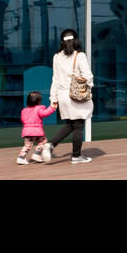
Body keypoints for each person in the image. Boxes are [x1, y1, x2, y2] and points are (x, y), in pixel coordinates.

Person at [44, 29, 94, 164]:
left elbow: (55, 79)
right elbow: (88, 76)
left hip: (62, 95)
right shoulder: (80, 55)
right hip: (76, 94)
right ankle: (76, 156)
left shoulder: (57, 57)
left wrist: (53, 98)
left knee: (70, 124)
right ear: (76, 40)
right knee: (78, 125)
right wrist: (89, 86)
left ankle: (50, 145)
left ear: (62, 41)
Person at [17, 90, 57, 165]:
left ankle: (21, 157)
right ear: (39, 101)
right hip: (37, 131)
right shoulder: (39, 108)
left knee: (27, 145)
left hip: (27, 131)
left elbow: (23, 119)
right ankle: (36, 154)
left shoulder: (24, 110)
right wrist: (52, 108)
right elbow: (44, 114)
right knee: (43, 142)